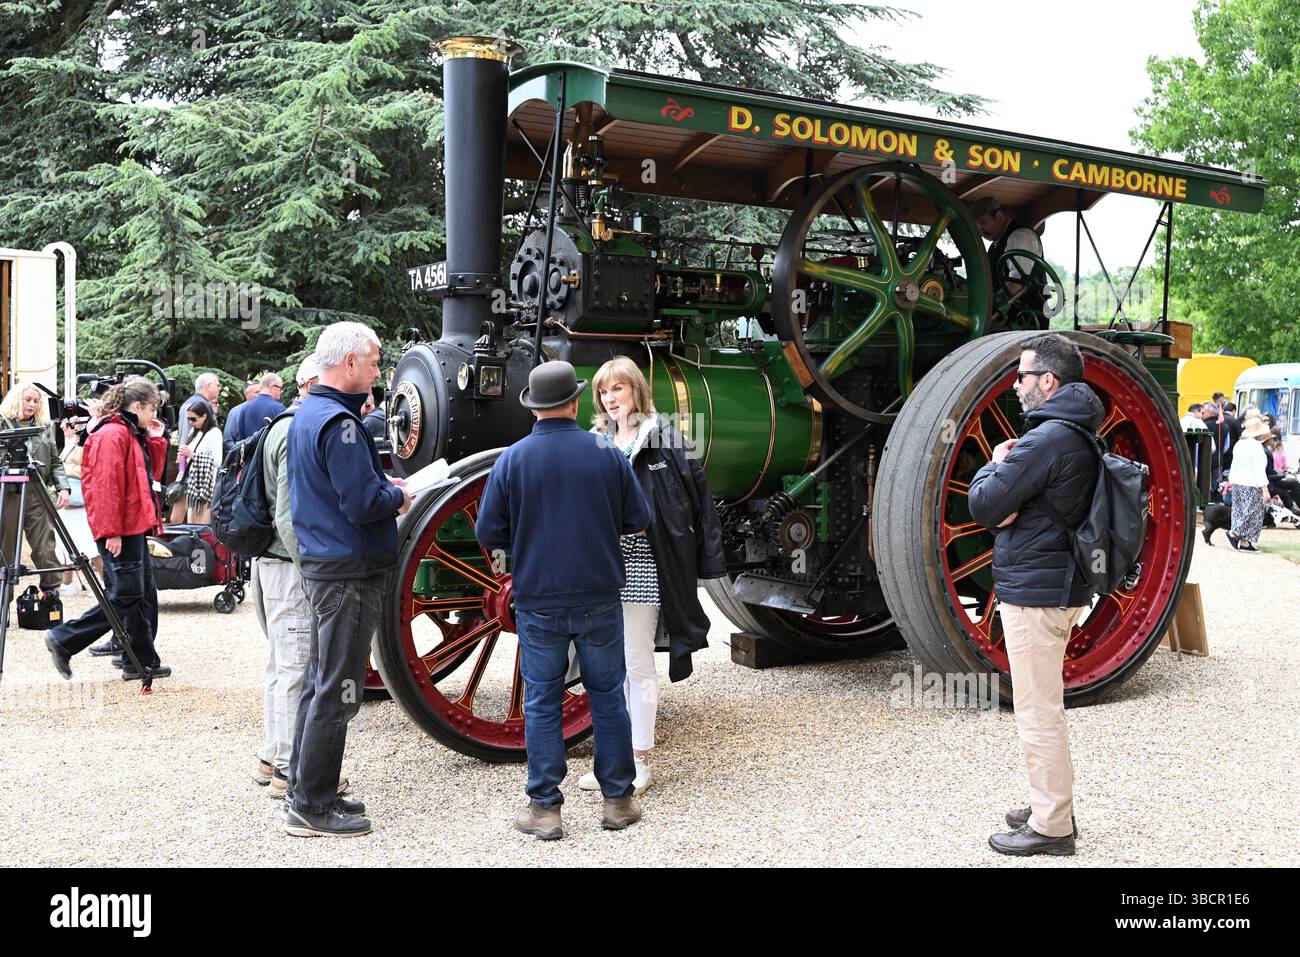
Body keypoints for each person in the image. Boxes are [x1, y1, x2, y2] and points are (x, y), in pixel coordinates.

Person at [477, 360, 651, 840]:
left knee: (541, 702)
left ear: (535, 409)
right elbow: (638, 518)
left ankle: (546, 809)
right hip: (598, 594)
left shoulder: (512, 458)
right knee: (607, 697)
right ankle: (618, 801)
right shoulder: (606, 451)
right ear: (575, 403)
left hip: (538, 599)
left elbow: (488, 531)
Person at [968, 333, 1103, 856]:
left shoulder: (1044, 440)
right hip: (1060, 587)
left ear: (1047, 381)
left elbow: (983, 505)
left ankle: (1051, 827)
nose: (1016, 385)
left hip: (1037, 594)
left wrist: (995, 461)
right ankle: (1053, 803)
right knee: (1045, 705)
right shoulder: (1078, 433)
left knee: (1037, 710)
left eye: (1022, 376)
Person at [282, 322, 410, 838]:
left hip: (326, 565)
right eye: (376, 362)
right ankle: (311, 807)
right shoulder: (341, 424)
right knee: (339, 688)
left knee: (320, 682)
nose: (380, 371)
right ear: (351, 363)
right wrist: (399, 497)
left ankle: (306, 790)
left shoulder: (309, 413)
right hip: (349, 571)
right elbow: (361, 505)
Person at [576, 356, 725, 796]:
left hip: (642, 565)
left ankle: (640, 762)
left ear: (635, 391)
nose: (609, 398)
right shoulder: (596, 441)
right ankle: (612, 759)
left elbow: (692, 503)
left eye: (617, 389)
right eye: (603, 392)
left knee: (635, 664)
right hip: (600, 569)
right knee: (605, 669)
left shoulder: (663, 439)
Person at [250, 367, 340, 800]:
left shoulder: (280, 426)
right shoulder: (292, 432)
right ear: (310, 385)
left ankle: (273, 757)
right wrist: (312, 568)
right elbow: (287, 514)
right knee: (295, 665)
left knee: (280, 664)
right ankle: (288, 767)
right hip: (288, 565)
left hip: (272, 562)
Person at [44, 377, 170, 681]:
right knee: (127, 594)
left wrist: (154, 436)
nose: (154, 414)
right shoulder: (114, 433)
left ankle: (140, 660)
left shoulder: (125, 430)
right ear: (137, 405)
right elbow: (106, 487)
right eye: (152, 408)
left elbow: (144, 470)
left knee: (137, 593)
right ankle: (64, 639)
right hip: (121, 528)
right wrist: (111, 531)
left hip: (131, 525)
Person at [0, 381, 71, 598]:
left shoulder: (44, 426)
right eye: (27, 399)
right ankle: (4, 601)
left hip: (37, 492)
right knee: (6, 549)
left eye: (35, 401)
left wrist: (63, 487)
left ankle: (51, 594)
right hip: (8, 493)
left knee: (45, 545)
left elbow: (55, 460)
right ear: (16, 399)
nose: (31, 404)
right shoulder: (2, 424)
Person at [971, 196, 1047, 326]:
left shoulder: (1021, 236)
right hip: (1008, 321)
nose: (981, 230)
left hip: (1024, 321)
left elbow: (1017, 284)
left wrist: (988, 308)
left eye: (983, 223)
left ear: (999, 216)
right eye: (977, 226)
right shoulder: (996, 245)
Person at [54, 417, 104, 596]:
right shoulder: (71, 444)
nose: (62, 426)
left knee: (90, 545)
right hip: (70, 502)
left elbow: (85, 468)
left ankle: (104, 582)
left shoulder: (85, 444)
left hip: (81, 502)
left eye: (67, 423)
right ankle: (67, 583)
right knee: (66, 544)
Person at [1227, 416, 1271, 551]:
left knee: (1239, 511)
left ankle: (1245, 542)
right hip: (1252, 483)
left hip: (1238, 481)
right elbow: (1259, 469)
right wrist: (1265, 489)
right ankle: (1234, 534)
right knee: (1253, 512)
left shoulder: (1239, 444)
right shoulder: (1257, 447)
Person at [177, 399, 223, 525]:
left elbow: (218, 461)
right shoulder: (194, 432)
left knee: (199, 526)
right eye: (189, 419)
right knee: (190, 523)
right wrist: (183, 455)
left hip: (204, 486)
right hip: (191, 484)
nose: (191, 423)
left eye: (194, 419)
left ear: (204, 416)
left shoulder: (215, 433)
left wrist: (192, 455)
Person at [224, 372, 285, 451]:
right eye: (280, 388)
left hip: (249, 459)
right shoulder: (279, 408)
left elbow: (241, 438)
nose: (281, 392)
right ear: (272, 387)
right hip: (268, 459)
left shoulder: (244, 409)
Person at [177, 372, 222, 447]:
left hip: (185, 452)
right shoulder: (204, 406)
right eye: (217, 385)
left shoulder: (187, 403)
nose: (219, 388)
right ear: (208, 386)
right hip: (196, 455)